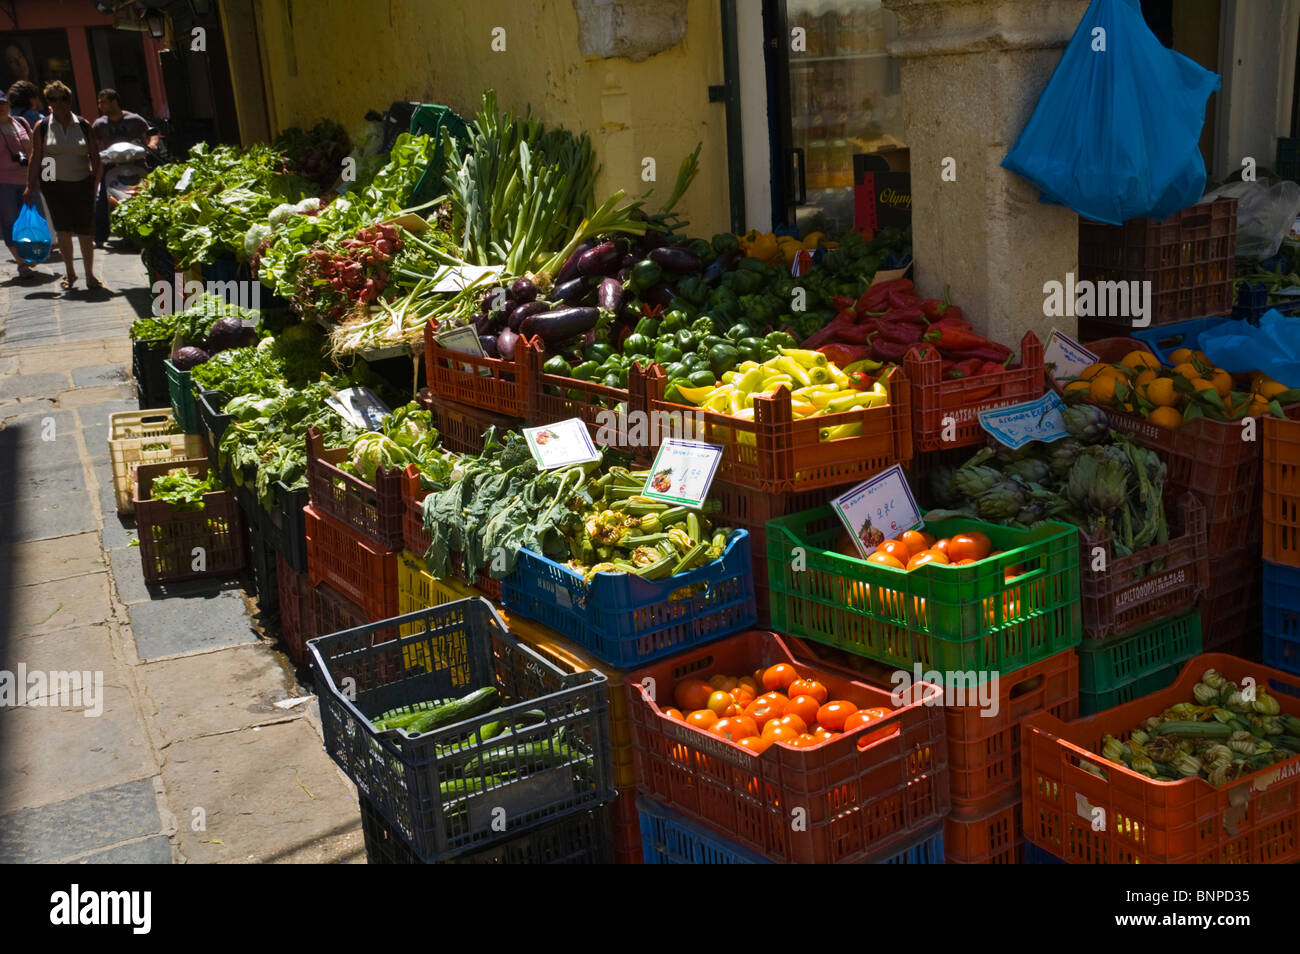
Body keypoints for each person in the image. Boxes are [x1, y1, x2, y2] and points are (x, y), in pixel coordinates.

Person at [23, 81, 101, 291]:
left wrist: (95, 182)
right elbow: (35, 157)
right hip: (54, 184)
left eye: (63, 98)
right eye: (53, 99)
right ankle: (70, 272)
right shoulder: (43, 127)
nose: (58, 103)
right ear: (47, 102)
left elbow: (95, 156)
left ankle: (90, 275)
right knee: (63, 231)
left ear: (69, 100)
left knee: (85, 232)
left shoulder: (83, 125)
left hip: (82, 183)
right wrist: (30, 186)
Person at [91, 88, 154, 247]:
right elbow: (92, 142)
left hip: (136, 162)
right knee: (102, 199)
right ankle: (100, 237)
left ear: (114, 102)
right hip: (112, 164)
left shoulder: (134, 119)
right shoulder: (99, 124)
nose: (100, 106)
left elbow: (151, 133)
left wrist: (152, 143)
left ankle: (151, 227)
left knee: (148, 193)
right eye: (99, 102)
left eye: (103, 102)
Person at [0, 90, 38, 279]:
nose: (1, 107)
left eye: (3, 103)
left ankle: (30, 253)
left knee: (30, 220)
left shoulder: (21, 123)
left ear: (8, 104)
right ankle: (21, 263)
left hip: (26, 180)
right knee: (10, 222)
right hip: (3, 182)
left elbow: (33, 149)